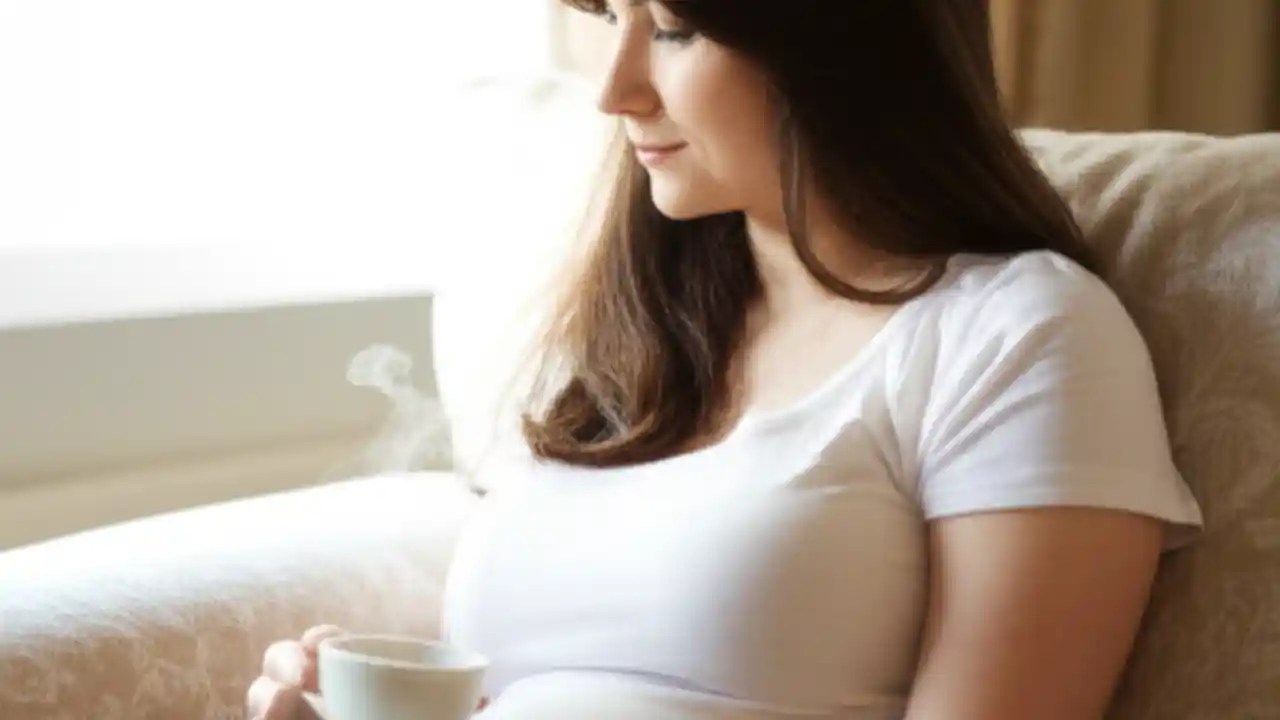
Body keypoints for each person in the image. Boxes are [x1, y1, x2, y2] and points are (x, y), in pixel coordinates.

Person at [246, 0, 1205, 718]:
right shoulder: (627, 344)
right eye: (611, 16)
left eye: (669, 26)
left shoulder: (1017, 335)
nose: (614, 88)